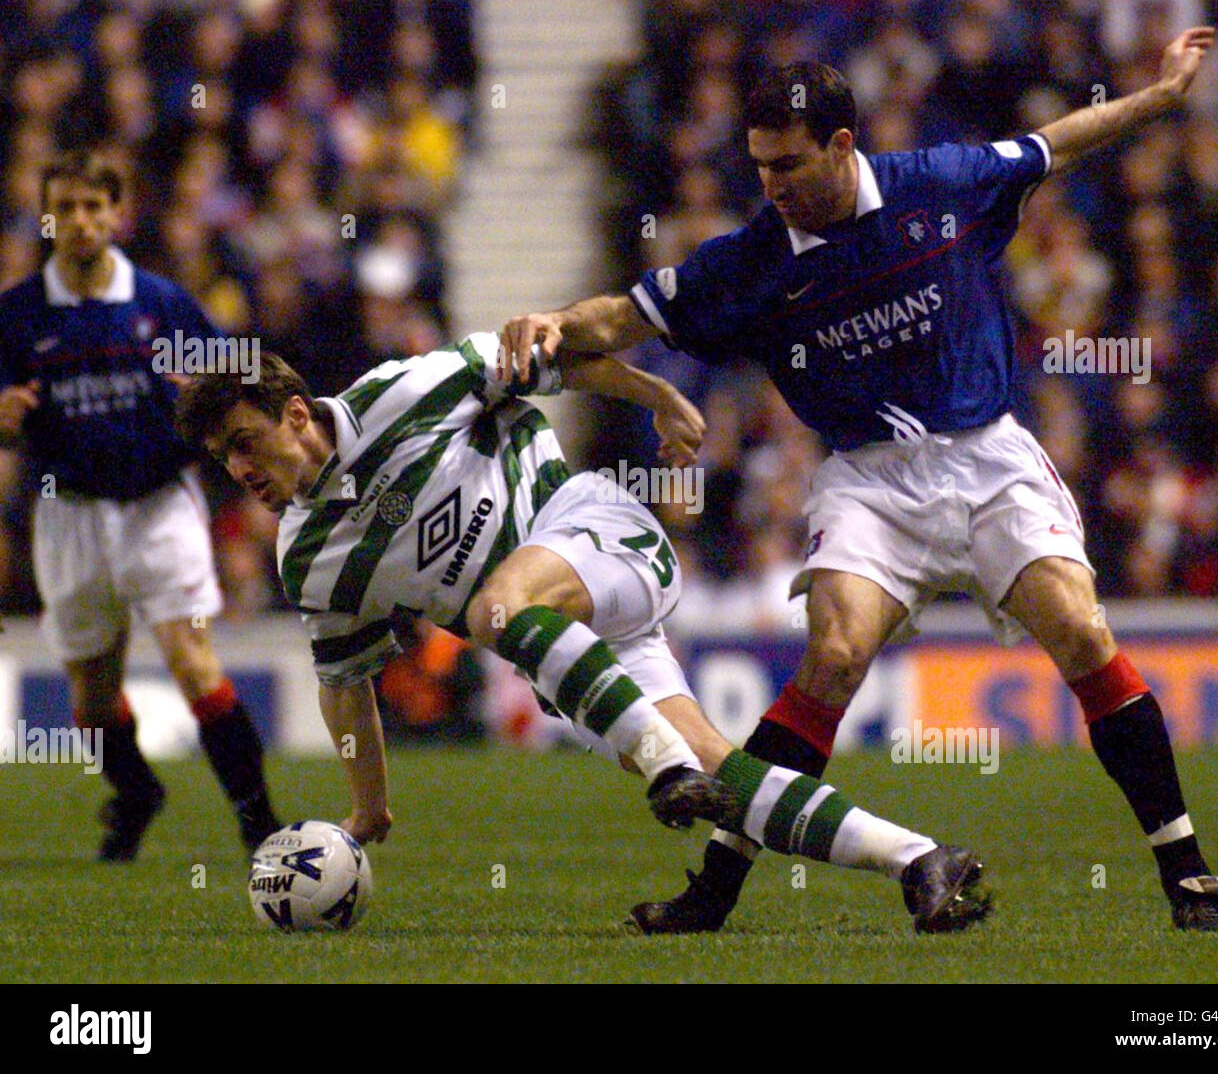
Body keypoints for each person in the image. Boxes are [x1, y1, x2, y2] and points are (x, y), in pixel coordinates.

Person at [499, 29, 1218, 932]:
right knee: (836, 656)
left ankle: (1188, 877)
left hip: (987, 456)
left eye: (788, 164)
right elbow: (624, 315)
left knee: (1083, 632)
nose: (771, 184)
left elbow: (1059, 142)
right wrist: (551, 324)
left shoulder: (942, 182)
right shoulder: (753, 259)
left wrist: (1159, 99)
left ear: (844, 146)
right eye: (759, 164)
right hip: (868, 482)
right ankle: (714, 893)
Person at [175, 333, 993, 932]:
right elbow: (344, 686)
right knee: (730, 779)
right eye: (222, 458)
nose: (240, 470)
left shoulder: (408, 388)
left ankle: (662, 766)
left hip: (597, 534)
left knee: (497, 609)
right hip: (572, 654)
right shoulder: (309, 557)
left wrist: (657, 396)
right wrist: (368, 809)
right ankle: (919, 859)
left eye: (244, 443)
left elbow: (554, 355)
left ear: (293, 413)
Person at [0, 150, 281, 861]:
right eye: (67, 208)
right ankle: (136, 791)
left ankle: (259, 821)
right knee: (92, 701)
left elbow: (228, 382)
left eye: (95, 207)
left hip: (160, 505)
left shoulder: (161, 303)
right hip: (70, 514)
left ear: (118, 215)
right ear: (48, 218)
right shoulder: (17, 313)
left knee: (193, 660)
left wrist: (243, 456)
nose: (82, 222)